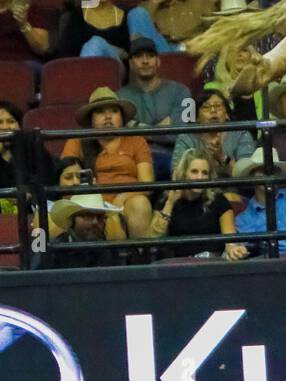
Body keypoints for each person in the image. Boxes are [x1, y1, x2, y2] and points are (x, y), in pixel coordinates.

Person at [61, 87, 155, 239]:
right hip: (89, 201)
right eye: (100, 112)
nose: (108, 116)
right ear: (91, 119)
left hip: (128, 201)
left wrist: (122, 197)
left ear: (122, 117)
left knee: (140, 203)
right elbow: (66, 179)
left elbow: (147, 183)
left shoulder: (136, 140)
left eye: (114, 111)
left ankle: (142, 258)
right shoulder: (77, 140)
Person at [118, 38, 192, 179]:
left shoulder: (184, 92)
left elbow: (182, 134)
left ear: (158, 61)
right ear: (131, 63)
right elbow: (122, 139)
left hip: (175, 158)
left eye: (150, 56)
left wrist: (136, 126)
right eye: (138, 56)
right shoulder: (119, 97)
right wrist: (163, 128)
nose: (145, 61)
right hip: (135, 161)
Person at [152, 150, 248, 260]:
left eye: (204, 173)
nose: (199, 177)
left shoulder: (219, 199)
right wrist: (170, 203)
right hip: (180, 266)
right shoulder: (167, 199)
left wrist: (233, 249)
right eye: (194, 171)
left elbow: (230, 240)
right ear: (184, 173)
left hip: (212, 262)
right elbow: (153, 239)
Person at [170, 85, 256, 179]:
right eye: (206, 107)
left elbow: (247, 177)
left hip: (233, 191)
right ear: (197, 117)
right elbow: (177, 175)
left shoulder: (241, 134)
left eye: (218, 106)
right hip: (197, 190)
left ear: (227, 113)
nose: (213, 110)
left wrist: (222, 157)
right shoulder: (187, 137)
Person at [57, 0, 131, 59]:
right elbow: (69, 51)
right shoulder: (78, 15)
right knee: (95, 43)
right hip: (83, 62)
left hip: (116, 66)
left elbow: (130, 53)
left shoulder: (125, 16)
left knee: (96, 42)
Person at [48, 192, 122, 268]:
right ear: (72, 219)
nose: (95, 222)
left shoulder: (110, 251)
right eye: (88, 216)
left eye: (100, 217)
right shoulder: (54, 251)